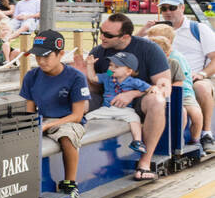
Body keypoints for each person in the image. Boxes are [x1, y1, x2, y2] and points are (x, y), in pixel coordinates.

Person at [72, 12, 172, 180]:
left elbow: (164, 86)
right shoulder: (99, 51)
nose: (102, 37)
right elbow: (96, 88)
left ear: (125, 37)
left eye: (108, 35)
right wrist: (84, 77)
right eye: (101, 32)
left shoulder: (149, 49)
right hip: (108, 100)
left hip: (141, 101)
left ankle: (144, 163)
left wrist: (132, 94)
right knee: (77, 98)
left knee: (157, 100)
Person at [20, 30, 90, 198]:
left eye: (46, 56)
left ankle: (70, 185)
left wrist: (49, 125)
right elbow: (29, 111)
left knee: (67, 138)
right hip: (42, 120)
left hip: (67, 121)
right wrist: (31, 126)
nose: (41, 61)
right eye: (37, 57)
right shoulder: (31, 76)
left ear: (60, 54)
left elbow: (77, 115)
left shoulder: (76, 77)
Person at [144, 0, 215, 154]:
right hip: (162, 78)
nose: (168, 12)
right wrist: (144, 30)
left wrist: (203, 74)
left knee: (202, 88)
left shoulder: (198, 29)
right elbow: (135, 49)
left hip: (195, 77)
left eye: (172, 7)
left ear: (182, 8)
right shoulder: (156, 33)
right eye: (164, 9)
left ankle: (206, 134)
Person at [84, 53, 153, 168]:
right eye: (111, 65)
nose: (111, 68)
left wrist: (151, 89)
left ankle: (137, 141)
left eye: (116, 67)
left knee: (134, 119)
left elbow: (148, 89)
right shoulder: (108, 76)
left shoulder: (133, 81)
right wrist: (90, 65)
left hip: (124, 110)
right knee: (89, 116)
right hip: (107, 108)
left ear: (128, 71)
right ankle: (80, 133)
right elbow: (93, 78)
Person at [143, 24, 203, 143]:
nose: (150, 43)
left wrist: (168, 91)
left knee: (194, 113)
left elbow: (180, 82)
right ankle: (173, 140)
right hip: (161, 95)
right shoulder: (148, 58)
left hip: (183, 93)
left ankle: (196, 139)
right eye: (149, 40)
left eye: (154, 39)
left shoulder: (176, 59)